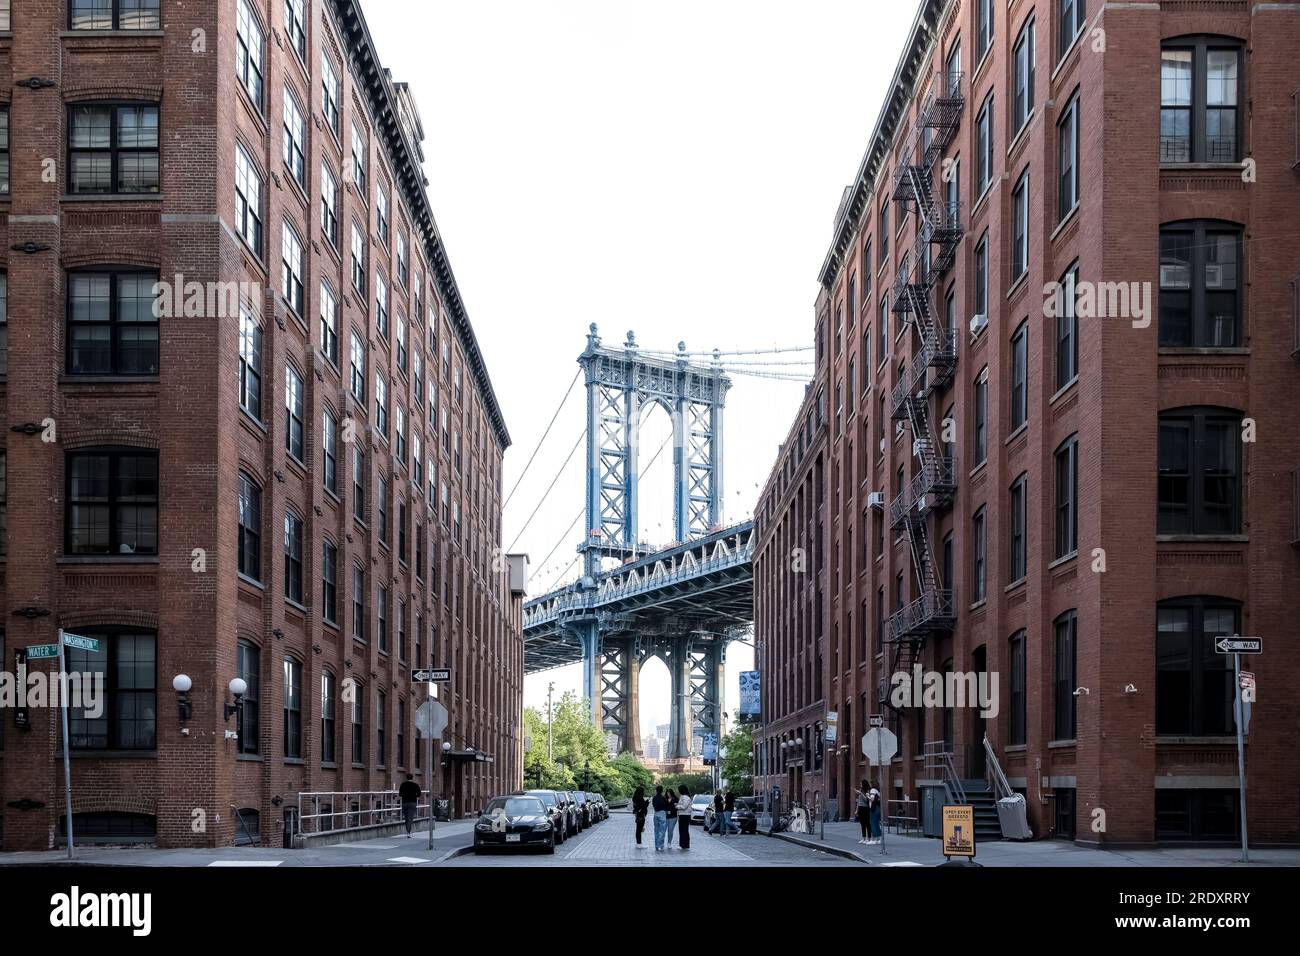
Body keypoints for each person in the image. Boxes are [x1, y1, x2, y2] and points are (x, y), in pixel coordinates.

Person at [398, 773, 422, 838]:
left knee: (406, 818)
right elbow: (419, 794)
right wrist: (414, 796)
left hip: (405, 802)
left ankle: (407, 830)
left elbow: (400, 794)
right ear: (412, 778)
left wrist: (405, 795)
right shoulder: (415, 785)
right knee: (410, 818)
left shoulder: (403, 784)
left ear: (406, 778)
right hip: (412, 803)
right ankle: (408, 832)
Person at [651, 785, 668, 851]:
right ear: (662, 790)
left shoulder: (654, 798)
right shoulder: (663, 798)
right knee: (662, 831)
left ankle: (656, 845)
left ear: (656, 790)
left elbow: (654, 805)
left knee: (656, 830)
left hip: (656, 814)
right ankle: (661, 845)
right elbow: (666, 806)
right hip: (662, 814)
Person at [664, 782, 679, 847]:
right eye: (667, 793)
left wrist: (671, 811)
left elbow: (677, 808)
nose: (668, 794)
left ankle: (669, 843)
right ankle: (662, 842)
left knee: (670, 830)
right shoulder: (664, 799)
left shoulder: (676, 799)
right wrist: (666, 811)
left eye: (669, 793)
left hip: (673, 817)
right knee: (663, 830)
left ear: (671, 793)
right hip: (665, 816)